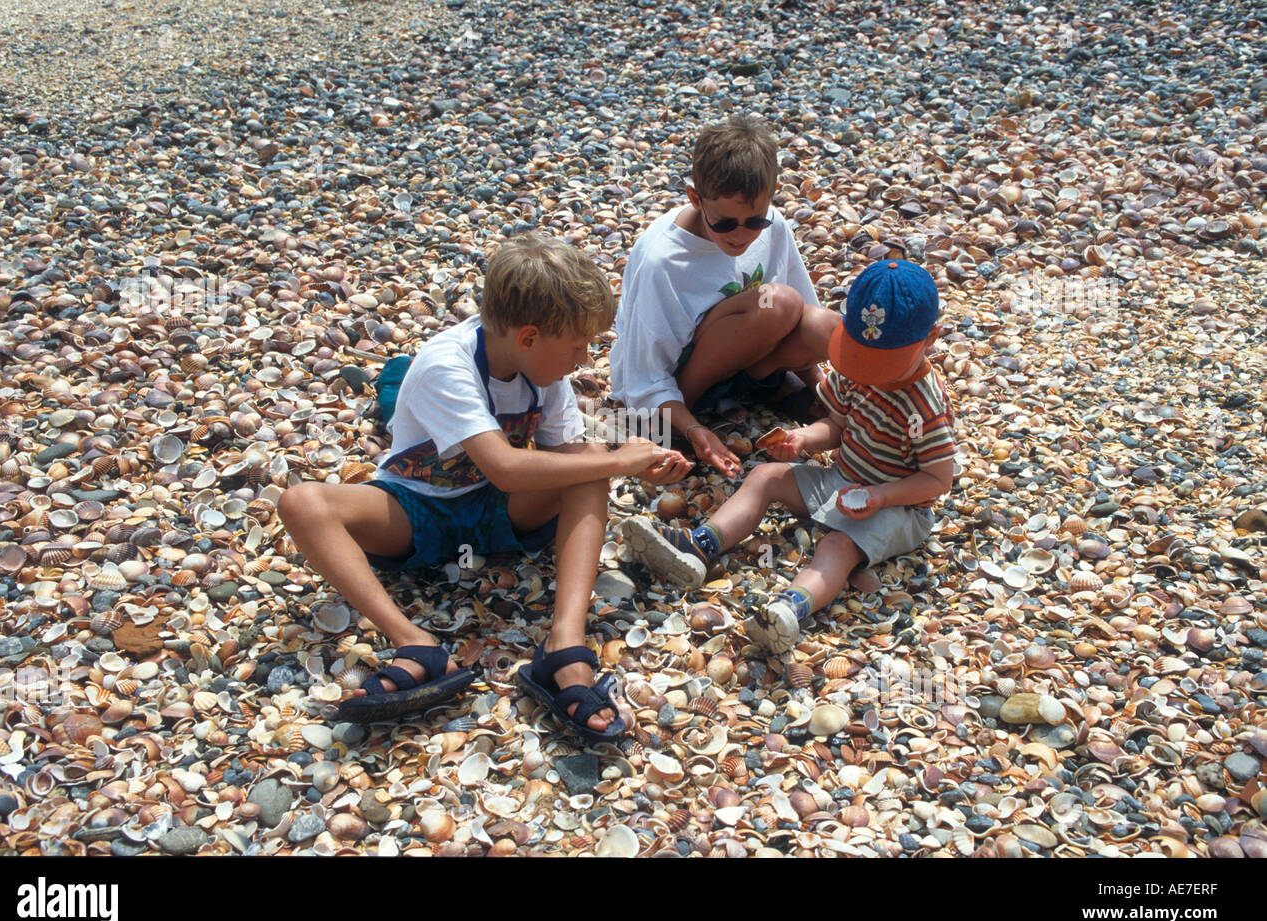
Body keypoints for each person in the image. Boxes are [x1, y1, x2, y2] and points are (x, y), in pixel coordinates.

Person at [278, 233, 691, 741]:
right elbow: (505, 467)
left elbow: (564, 458)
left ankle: (564, 644)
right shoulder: (445, 364)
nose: (584, 359)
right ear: (528, 337)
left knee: (590, 463)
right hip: (414, 509)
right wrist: (620, 460)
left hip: (500, 512)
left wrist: (625, 463)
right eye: (579, 345)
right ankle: (416, 644)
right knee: (301, 502)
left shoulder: (545, 369)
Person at [622, 259, 959, 654]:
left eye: (880, 364)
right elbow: (835, 426)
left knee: (837, 545)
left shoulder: (925, 408)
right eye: (861, 357)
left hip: (898, 508)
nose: (868, 373)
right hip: (842, 480)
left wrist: (881, 497)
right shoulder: (855, 372)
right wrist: (803, 439)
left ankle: (790, 609)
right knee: (766, 476)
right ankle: (699, 546)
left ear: (931, 337)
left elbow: (938, 481)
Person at [608, 113, 838, 479]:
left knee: (830, 328)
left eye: (755, 220)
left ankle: (775, 388)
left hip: (749, 356)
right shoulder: (665, 260)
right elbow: (644, 375)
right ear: (695, 199)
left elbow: (805, 318)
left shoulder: (773, 225)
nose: (741, 235)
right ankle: (687, 416)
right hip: (682, 380)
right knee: (778, 303)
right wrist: (694, 429)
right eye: (725, 223)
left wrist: (823, 396)